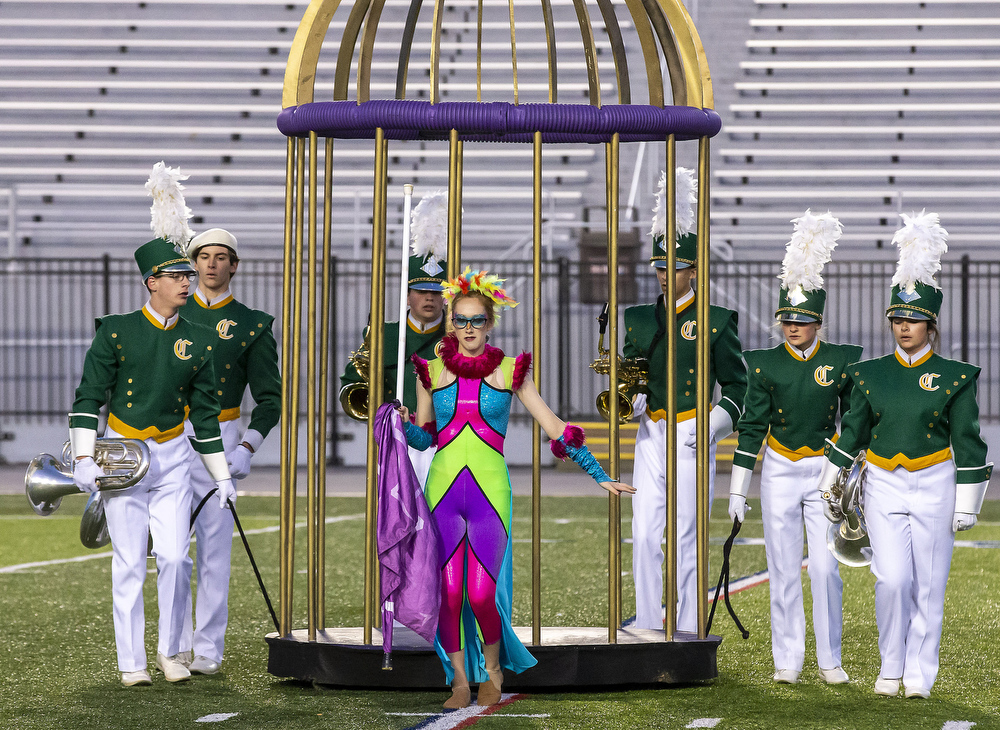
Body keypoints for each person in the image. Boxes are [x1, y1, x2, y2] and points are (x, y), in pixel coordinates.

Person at [402, 267, 634, 709]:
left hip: (490, 494)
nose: (469, 329)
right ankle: (458, 682)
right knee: (449, 593)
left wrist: (598, 473)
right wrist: (397, 423)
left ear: (490, 324)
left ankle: (492, 674)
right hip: (443, 493)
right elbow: (427, 436)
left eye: (477, 320)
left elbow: (555, 427)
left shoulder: (512, 371)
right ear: (451, 323)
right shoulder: (429, 372)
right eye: (461, 320)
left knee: (481, 593)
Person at [820, 212, 992, 699]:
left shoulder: (956, 376)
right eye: (898, 319)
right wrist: (830, 479)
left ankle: (918, 675)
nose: (905, 327)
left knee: (929, 588)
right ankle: (890, 666)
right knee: (892, 580)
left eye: (914, 320)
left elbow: (970, 441)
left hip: (936, 484)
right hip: (883, 483)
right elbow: (851, 430)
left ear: (931, 325)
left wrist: (967, 502)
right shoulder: (868, 373)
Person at [69, 235, 234, 687]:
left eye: (187, 275)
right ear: (151, 282)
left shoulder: (199, 340)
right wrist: (84, 456)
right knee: (127, 562)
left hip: (175, 456)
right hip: (122, 456)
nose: (187, 282)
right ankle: (131, 663)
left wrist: (221, 476)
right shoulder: (116, 330)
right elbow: (88, 397)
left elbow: (204, 416)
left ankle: (169, 652)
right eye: (177, 276)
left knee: (177, 558)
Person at [728, 211, 861, 685]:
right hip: (780, 470)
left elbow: (857, 419)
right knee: (783, 569)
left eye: (802, 320)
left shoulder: (841, 360)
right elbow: (751, 427)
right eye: (787, 319)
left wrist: (850, 469)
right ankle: (788, 659)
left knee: (826, 570)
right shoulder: (763, 364)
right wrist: (738, 489)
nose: (792, 327)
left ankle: (830, 659)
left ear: (818, 322)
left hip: (825, 473)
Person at [625, 168, 747, 633]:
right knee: (643, 533)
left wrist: (714, 424)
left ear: (693, 270)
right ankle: (643, 620)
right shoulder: (636, 319)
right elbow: (633, 376)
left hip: (693, 431)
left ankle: (690, 623)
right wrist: (630, 399)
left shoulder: (716, 321)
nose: (664, 275)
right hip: (650, 432)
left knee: (686, 535)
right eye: (658, 267)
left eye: (673, 267)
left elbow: (738, 387)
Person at [171, 228, 281, 676]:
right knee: (171, 549)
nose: (212, 264)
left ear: (234, 265)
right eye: (204, 257)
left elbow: (270, 398)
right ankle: (173, 645)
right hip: (166, 435)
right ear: (193, 265)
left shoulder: (253, 323)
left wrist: (248, 447)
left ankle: (208, 650)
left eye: (221, 257)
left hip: (220, 433)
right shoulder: (167, 313)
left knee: (215, 547)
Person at [340, 191, 449, 484]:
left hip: (445, 443)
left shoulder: (456, 338)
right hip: (395, 441)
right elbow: (351, 384)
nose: (429, 298)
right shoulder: (383, 335)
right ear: (407, 296)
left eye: (437, 292)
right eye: (421, 291)